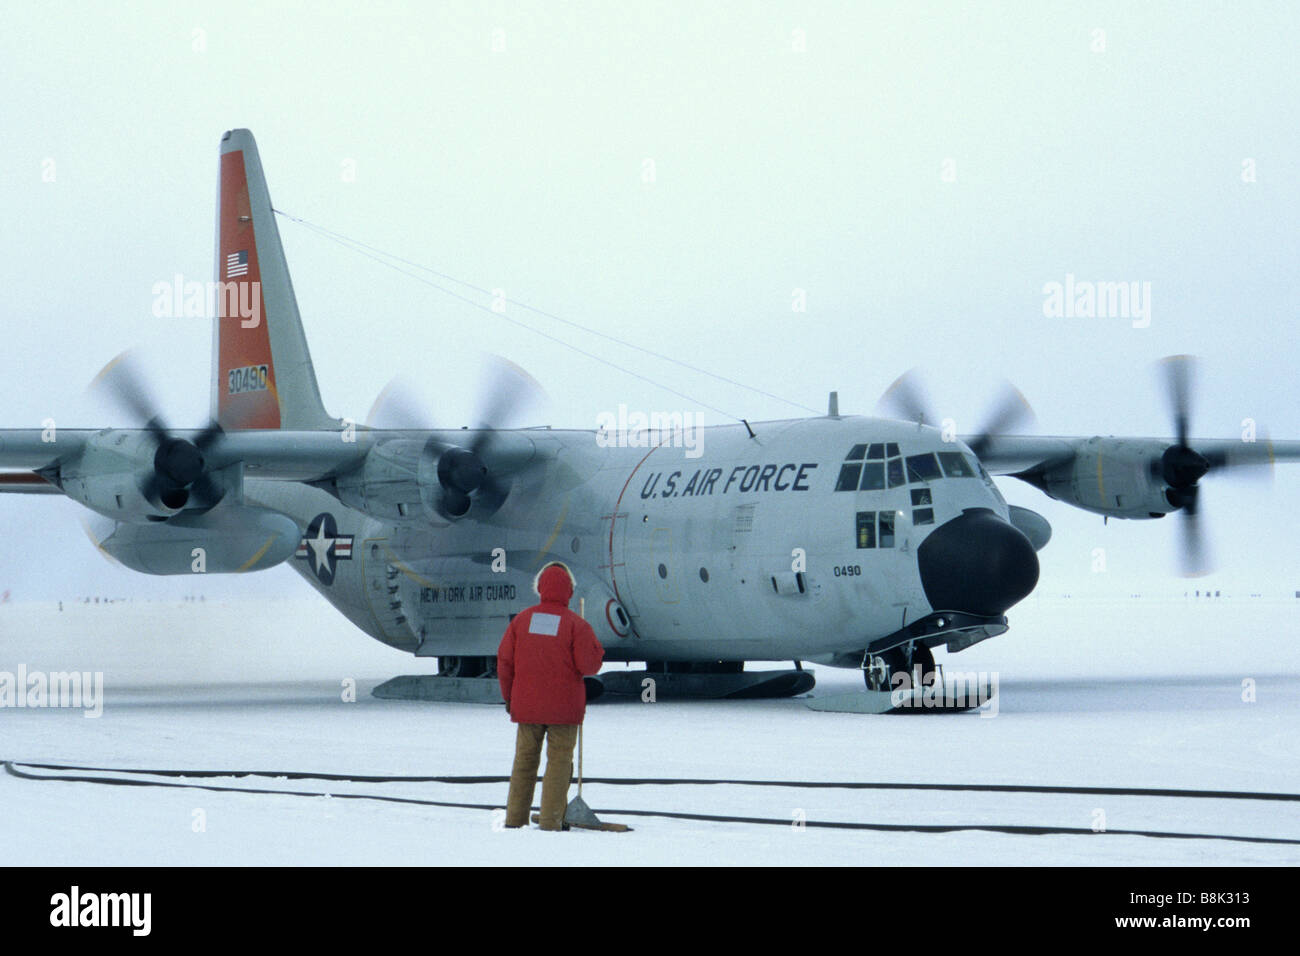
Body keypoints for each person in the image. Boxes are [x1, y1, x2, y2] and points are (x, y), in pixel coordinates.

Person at [498, 561, 604, 830]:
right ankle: (550, 822)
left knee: (524, 763)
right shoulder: (575, 625)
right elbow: (589, 666)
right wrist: (595, 648)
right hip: (564, 710)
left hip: (527, 707)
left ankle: (514, 820)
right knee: (558, 765)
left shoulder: (521, 621)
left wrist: (509, 697)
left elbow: (505, 661)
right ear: (569, 590)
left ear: (540, 588)